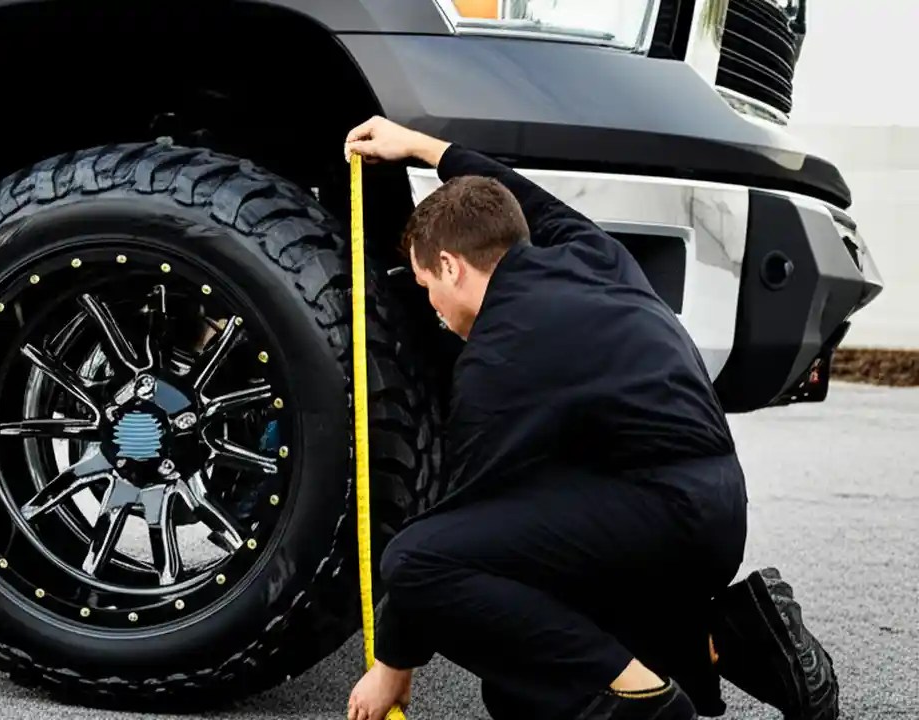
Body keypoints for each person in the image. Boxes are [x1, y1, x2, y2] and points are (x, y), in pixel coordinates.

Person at [341, 117, 839, 720]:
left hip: (657, 524)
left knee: (415, 561)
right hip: (713, 513)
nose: (434, 309)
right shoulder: (589, 252)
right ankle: (734, 638)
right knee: (520, 693)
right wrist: (420, 146)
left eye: (425, 286)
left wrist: (391, 667)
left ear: (450, 266)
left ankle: (638, 700)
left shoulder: (498, 356)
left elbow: (455, 530)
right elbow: (514, 194)